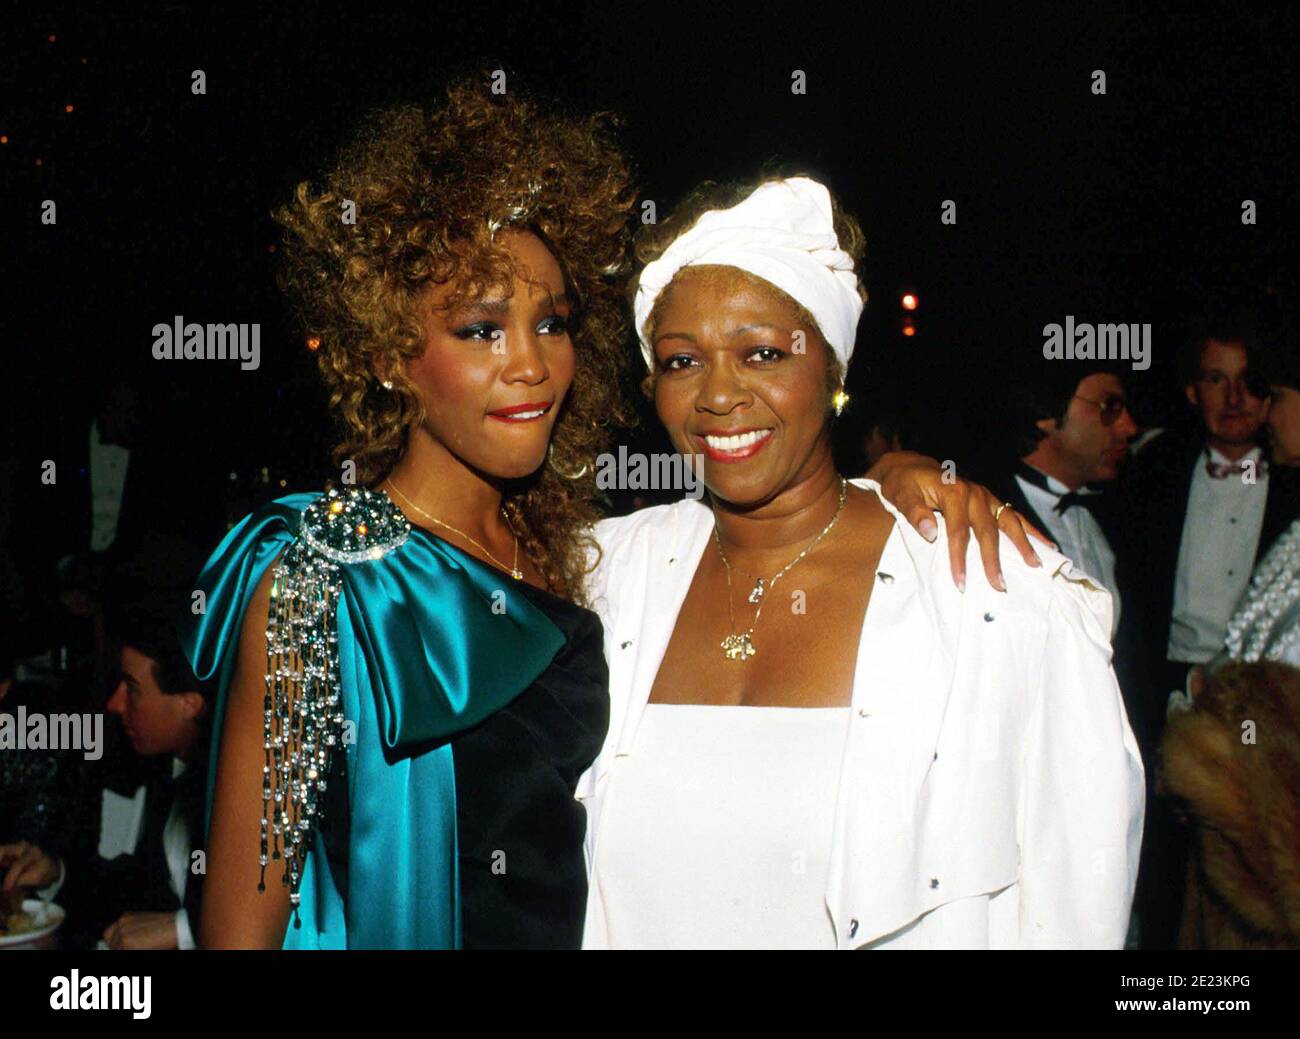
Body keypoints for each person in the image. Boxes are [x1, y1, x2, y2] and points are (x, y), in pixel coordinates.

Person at [174, 84, 1039, 951]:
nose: (531, 365)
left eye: (551, 323)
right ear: (386, 351)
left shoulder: (581, 555)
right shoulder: (320, 577)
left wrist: (891, 476)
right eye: (481, 329)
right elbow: (239, 930)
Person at [578, 174, 1144, 949]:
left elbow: (1077, 900)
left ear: (834, 374)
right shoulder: (607, 581)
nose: (717, 395)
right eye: (682, 362)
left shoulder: (986, 588)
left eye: (763, 352)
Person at [1121, 313, 1300, 948]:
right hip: (1159, 693)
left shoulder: (1294, 484)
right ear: (1192, 389)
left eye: (1252, 385)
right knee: (1161, 888)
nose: (1235, 401)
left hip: (1260, 715)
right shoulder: (1147, 471)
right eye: (1215, 381)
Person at [0, 599, 211, 950]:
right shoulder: (164, 773)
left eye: (132, 688)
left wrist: (183, 930)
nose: (114, 704)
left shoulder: (235, 787)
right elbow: (128, 890)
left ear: (189, 704)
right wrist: (55, 873)